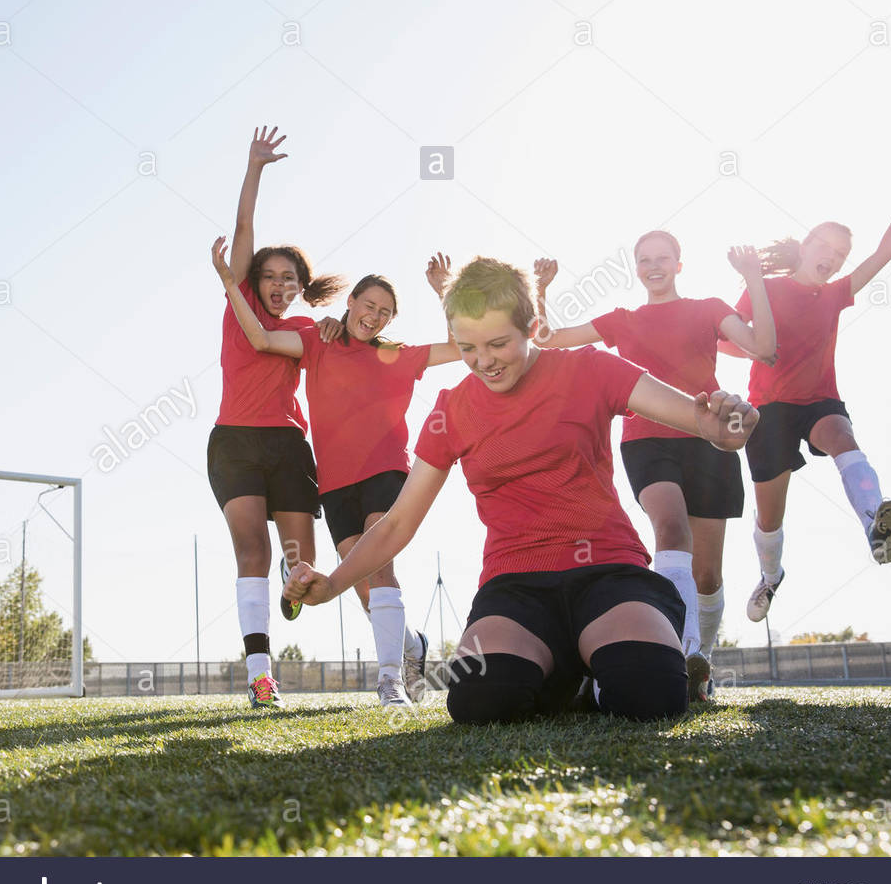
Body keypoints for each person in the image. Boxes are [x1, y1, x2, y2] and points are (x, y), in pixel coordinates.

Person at [284, 257, 758, 722]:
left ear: (531, 327)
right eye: (468, 347)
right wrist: (333, 583)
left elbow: (696, 416)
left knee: (652, 692)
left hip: (608, 571)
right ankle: (573, 675)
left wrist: (722, 426)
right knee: (480, 701)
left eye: (497, 343)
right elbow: (398, 523)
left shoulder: (588, 369)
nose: (483, 362)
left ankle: (595, 682)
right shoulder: (451, 410)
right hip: (516, 585)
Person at [212, 240, 462, 705]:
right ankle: (413, 646)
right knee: (366, 590)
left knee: (381, 570)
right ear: (350, 303)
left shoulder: (399, 355)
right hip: (334, 484)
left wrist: (444, 291)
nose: (375, 316)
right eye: (368, 305)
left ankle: (390, 684)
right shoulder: (316, 342)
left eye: (385, 312)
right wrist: (231, 286)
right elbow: (263, 340)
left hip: (387, 473)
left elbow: (463, 347)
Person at [531, 236, 775, 701]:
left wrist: (755, 280)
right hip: (646, 439)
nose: (653, 266)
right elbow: (548, 344)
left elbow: (764, 347)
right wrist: (542, 289)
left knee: (707, 576)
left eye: (662, 258)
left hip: (709, 439)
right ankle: (675, 658)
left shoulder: (708, 308)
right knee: (670, 528)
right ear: (637, 269)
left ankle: (700, 659)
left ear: (679, 264)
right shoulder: (623, 320)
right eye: (645, 260)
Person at [725, 154, 891, 622]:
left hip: (819, 402)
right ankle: (771, 577)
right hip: (768, 409)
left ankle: (875, 522)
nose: (832, 257)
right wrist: (756, 349)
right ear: (808, 244)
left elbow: (887, 252)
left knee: (843, 439)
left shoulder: (834, 294)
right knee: (770, 517)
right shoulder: (764, 288)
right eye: (825, 245)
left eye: (840, 254)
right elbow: (724, 340)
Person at [207, 126, 346, 708]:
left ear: (300, 288)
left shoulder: (307, 329)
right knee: (252, 554)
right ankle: (261, 676)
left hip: (289, 445)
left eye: (292, 279)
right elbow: (243, 231)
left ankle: (291, 593)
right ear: (253, 279)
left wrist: (338, 329)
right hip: (235, 442)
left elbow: (351, 353)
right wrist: (255, 168)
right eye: (272, 276)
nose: (281, 285)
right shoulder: (236, 296)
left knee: (300, 565)